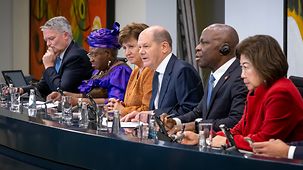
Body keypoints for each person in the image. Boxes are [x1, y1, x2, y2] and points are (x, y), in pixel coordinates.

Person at [180, 35, 303, 151]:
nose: (242, 75)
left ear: (263, 65)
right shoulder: (256, 91)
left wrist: (227, 141)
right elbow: (239, 130)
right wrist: (204, 137)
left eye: (245, 67)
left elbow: (264, 141)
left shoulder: (281, 93)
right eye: (241, 67)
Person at [163, 23, 247, 133]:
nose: (197, 48)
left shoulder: (240, 76)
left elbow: (235, 120)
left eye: (204, 43)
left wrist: (195, 126)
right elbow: (199, 111)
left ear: (224, 49)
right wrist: (174, 121)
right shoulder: (215, 75)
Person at [121, 25, 203, 122]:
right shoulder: (157, 72)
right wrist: (141, 115)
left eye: (146, 46)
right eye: (139, 47)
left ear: (164, 47)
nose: (141, 52)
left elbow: (190, 110)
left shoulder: (182, 70)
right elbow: (156, 109)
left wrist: (152, 115)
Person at [47, 22, 132, 105]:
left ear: (107, 54)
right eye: (90, 54)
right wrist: (63, 95)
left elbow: (114, 102)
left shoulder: (120, 71)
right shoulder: (99, 71)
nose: (91, 59)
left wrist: (78, 101)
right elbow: (88, 96)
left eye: (94, 54)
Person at [22, 16, 93, 98]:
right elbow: (43, 87)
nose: (48, 44)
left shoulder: (76, 57)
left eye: (51, 39)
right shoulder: (57, 54)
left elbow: (61, 92)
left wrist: (49, 66)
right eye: (46, 40)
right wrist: (22, 90)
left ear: (65, 35)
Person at [105, 23, 154, 117]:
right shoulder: (135, 70)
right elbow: (131, 105)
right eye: (124, 48)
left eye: (131, 47)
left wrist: (122, 110)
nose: (127, 53)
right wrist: (116, 106)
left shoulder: (151, 70)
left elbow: (148, 109)